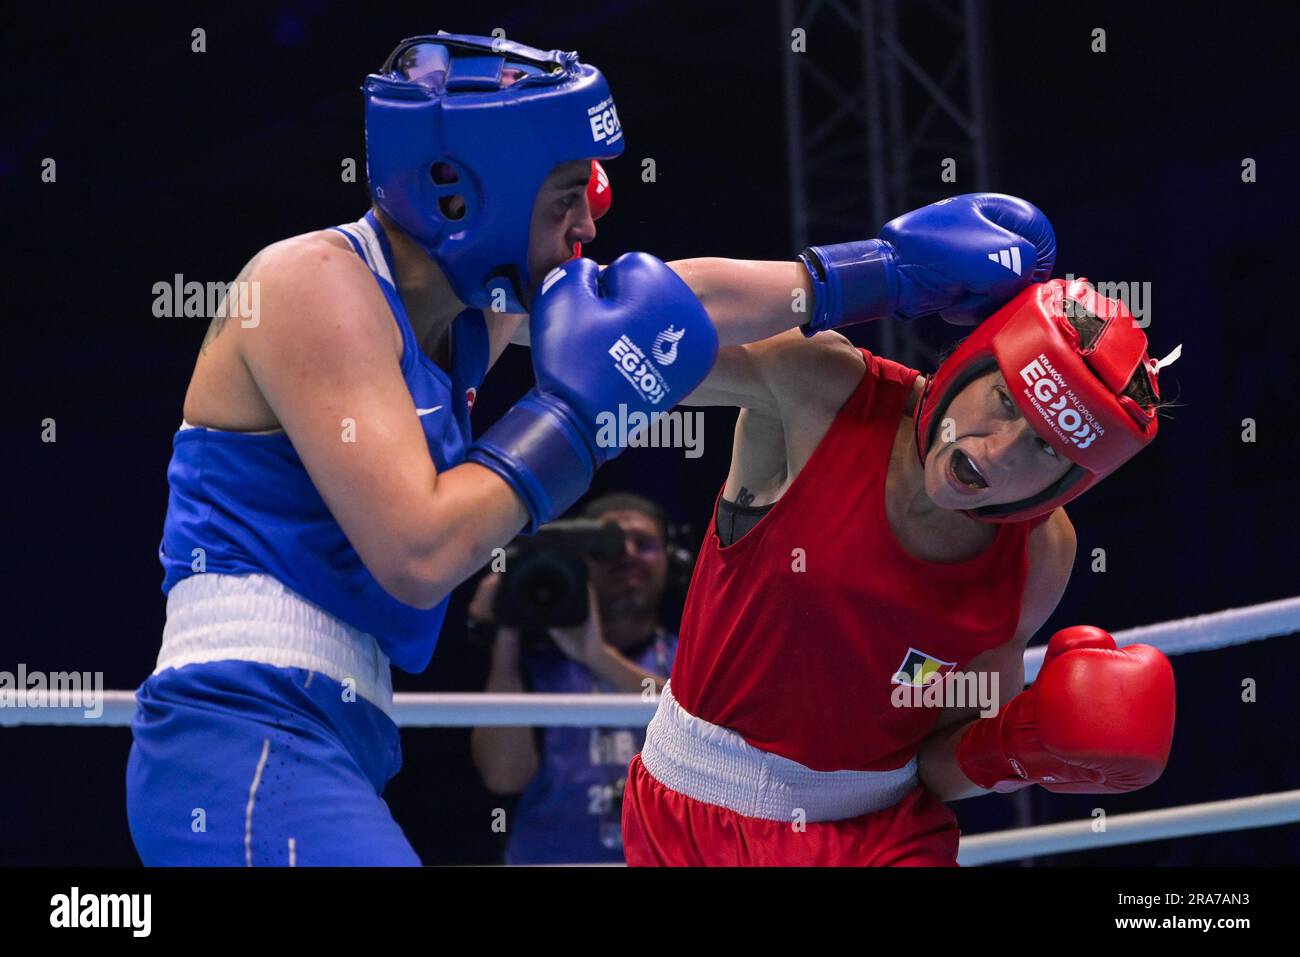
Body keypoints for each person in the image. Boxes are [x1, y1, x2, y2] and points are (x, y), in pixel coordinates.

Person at [125, 33, 715, 866]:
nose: (585, 225)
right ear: (466, 192)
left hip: (326, 735)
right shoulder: (311, 282)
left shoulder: (460, 325)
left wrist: (853, 277)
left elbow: (673, 302)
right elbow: (421, 548)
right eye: (562, 198)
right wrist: (576, 420)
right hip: (243, 726)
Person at [620, 275, 1181, 866]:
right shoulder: (826, 391)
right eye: (1008, 401)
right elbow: (610, 336)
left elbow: (938, 767)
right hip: (697, 813)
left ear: (1071, 481)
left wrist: (1019, 748)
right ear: (970, 362)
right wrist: (865, 272)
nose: (998, 451)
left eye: (1046, 449)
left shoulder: (1041, 552)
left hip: (885, 835)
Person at [470, 493, 679, 864]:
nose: (627, 554)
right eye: (608, 547)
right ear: (580, 564)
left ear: (673, 560)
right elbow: (503, 777)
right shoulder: (534, 667)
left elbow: (704, 734)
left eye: (643, 544)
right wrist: (505, 628)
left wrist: (596, 655)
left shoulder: (691, 661)